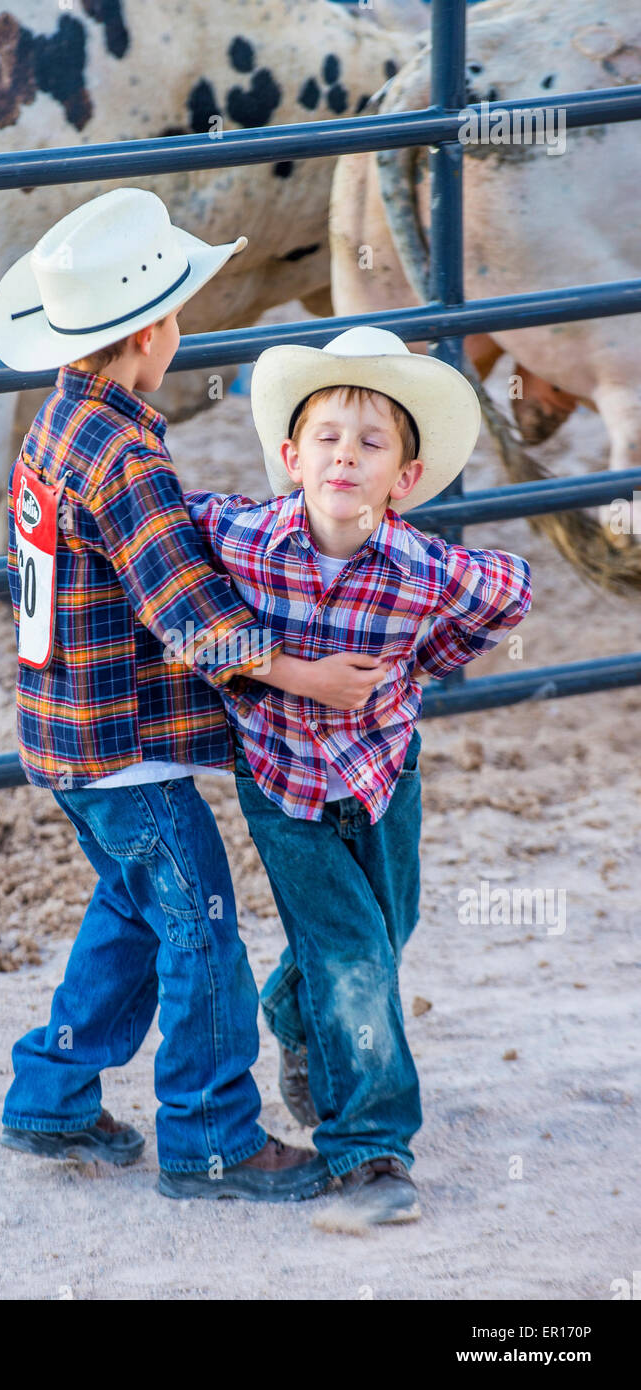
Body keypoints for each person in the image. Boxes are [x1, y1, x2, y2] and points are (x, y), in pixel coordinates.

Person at [0, 187, 386, 1202]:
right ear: (153, 331)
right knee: (202, 921)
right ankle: (210, 1137)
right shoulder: (126, 455)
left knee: (135, 907)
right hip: (127, 750)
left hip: (69, 732)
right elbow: (190, 613)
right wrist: (306, 674)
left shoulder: (64, 422)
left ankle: (52, 1091)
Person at [185, 324, 533, 1223]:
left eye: (372, 443)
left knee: (388, 932)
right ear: (291, 457)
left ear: (404, 480)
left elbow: (511, 588)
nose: (346, 455)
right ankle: (370, 1155)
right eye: (328, 439)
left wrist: (419, 666)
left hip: (384, 777)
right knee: (351, 957)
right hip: (283, 787)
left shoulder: (423, 569)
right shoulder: (242, 536)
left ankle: (294, 1018)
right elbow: (171, 574)